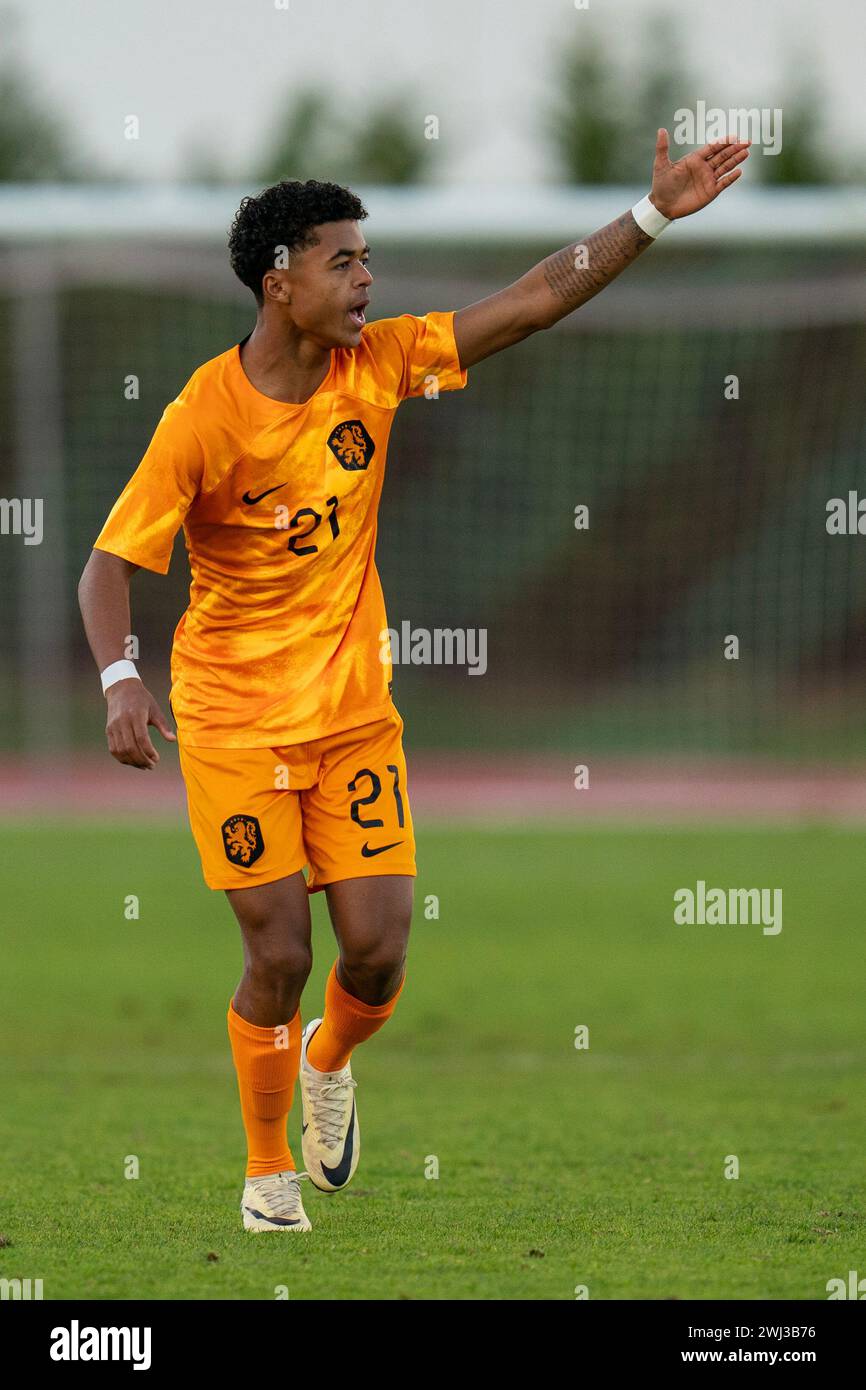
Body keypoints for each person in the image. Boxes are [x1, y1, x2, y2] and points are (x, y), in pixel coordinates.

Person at [78, 130, 749, 1232]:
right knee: (280, 949)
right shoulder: (201, 415)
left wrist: (653, 214)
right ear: (277, 280)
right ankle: (263, 1172)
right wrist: (117, 676)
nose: (365, 280)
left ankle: (328, 1062)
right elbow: (110, 562)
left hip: (351, 721)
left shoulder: (379, 364)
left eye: (366, 260)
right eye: (344, 261)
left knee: (379, 956)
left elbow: (532, 300)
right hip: (234, 722)